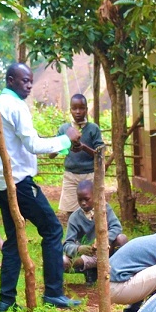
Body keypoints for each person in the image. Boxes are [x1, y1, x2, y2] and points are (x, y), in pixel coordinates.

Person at [0, 63, 82, 311]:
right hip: (18, 184)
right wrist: (65, 140)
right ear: (10, 80)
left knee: (15, 240)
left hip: (0, 185)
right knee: (51, 229)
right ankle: (53, 293)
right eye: (24, 81)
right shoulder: (15, 106)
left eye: (30, 81)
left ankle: (6, 301)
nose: (29, 85)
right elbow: (33, 145)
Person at [62, 179, 126, 283]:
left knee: (122, 239)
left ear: (95, 196)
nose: (83, 203)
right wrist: (78, 249)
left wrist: (103, 240)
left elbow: (116, 227)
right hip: (86, 256)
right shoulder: (74, 218)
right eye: (80, 200)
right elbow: (67, 244)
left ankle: (117, 272)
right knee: (63, 262)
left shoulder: (105, 209)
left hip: (106, 251)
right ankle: (89, 270)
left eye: (87, 199)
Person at [56, 93, 105, 222]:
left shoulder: (93, 129)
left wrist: (83, 147)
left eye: (81, 108)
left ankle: (93, 237)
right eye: (74, 108)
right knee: (71, 211)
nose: (78, 112)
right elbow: (52, 153)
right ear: (70, 109)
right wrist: (65, 142)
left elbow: (99, 155)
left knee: (93, 209)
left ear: (86, 109)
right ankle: (74, 238)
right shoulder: (64, 129)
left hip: (89, 175)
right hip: (70, 175)